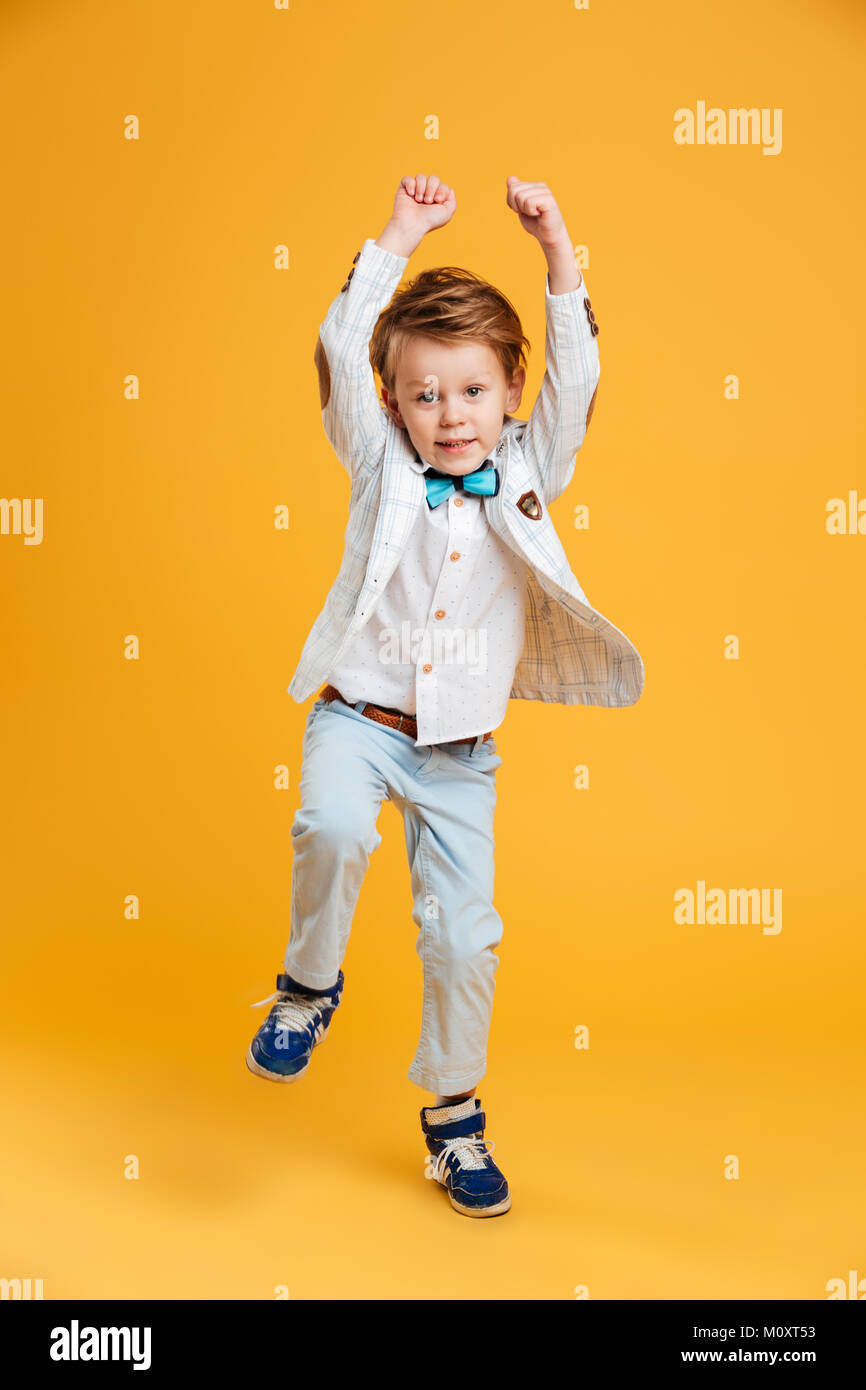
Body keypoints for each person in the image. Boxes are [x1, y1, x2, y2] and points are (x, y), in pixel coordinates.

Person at [246, 174, 645, 1218]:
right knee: (330, 825)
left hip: (460, 756)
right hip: (356, 719)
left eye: (470, 391)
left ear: (508, 390)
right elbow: (341, 349)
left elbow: (581, 371)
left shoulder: (526, 467)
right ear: (392, 404)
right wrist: (397, 234)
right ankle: (305, 989)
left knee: (462, 939)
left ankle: (454, 1118)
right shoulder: (377, 462)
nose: (449, 414)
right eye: (424, 394)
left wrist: (554, 240)